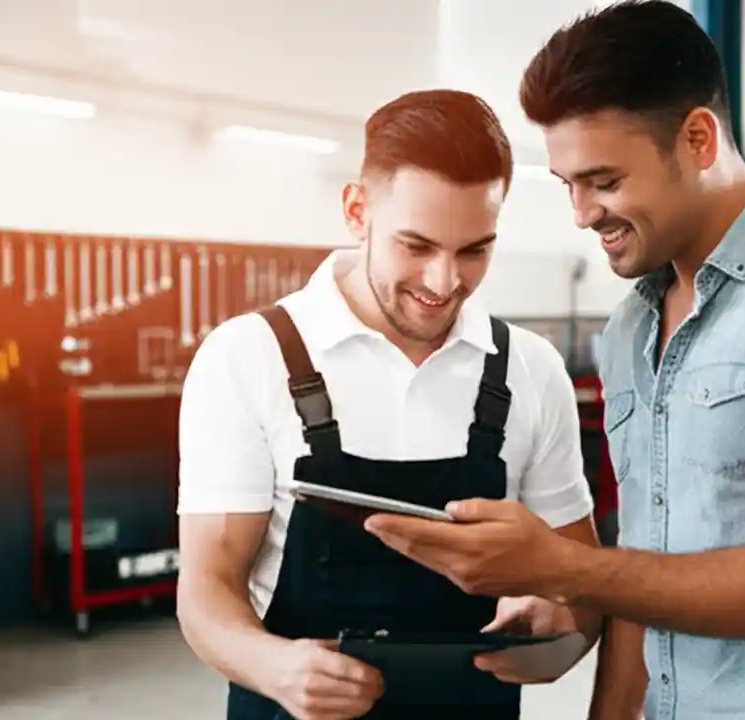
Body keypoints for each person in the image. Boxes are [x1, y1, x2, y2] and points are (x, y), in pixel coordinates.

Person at [363, 3, 745, 719]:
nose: (581, 213)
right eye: (567, 184)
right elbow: (639, 572)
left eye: (603, 181)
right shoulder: (634, 324)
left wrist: (561, 567)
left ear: (698, 138)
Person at [174, 88, 601, 720]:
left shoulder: (530, 372)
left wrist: (564, 628)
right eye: (417, 246)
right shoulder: (247, 357)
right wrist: (276, 667)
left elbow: (584, 580)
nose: (444, 282)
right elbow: (206, 591)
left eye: (474, 250)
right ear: (356, 211)